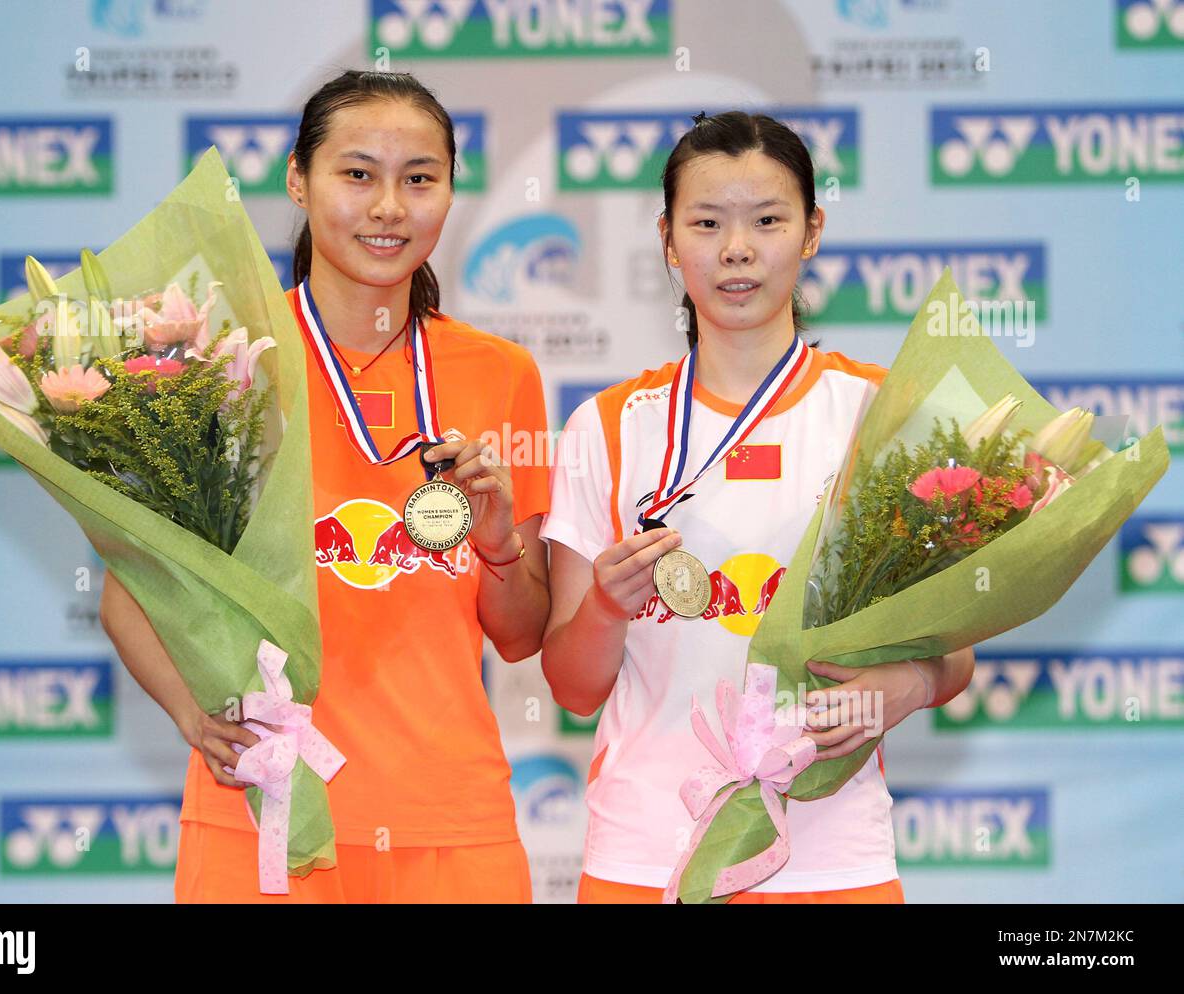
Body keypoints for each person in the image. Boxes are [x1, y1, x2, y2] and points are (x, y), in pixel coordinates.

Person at [101, 70, 551, 903]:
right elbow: (128, 594)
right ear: (298, 182)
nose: (389, 206)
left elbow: (522, 635)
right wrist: (193, 720)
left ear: (451, 191)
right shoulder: (217, 363)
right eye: (358, 173)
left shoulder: (502, 374)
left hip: (450, 822)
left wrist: (496, 537)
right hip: (264, 815)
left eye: (420, 178)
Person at [539, 111, 976, 904]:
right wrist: (605, 605)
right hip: (647, 851)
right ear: (669, 240)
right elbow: (570, 687)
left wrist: (909, 684)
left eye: (767, 221)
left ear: (811, 231)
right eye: (706, 223)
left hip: (831, 850)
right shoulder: (605, 427)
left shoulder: (880, 415)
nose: (736, 250)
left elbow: (955, 655)